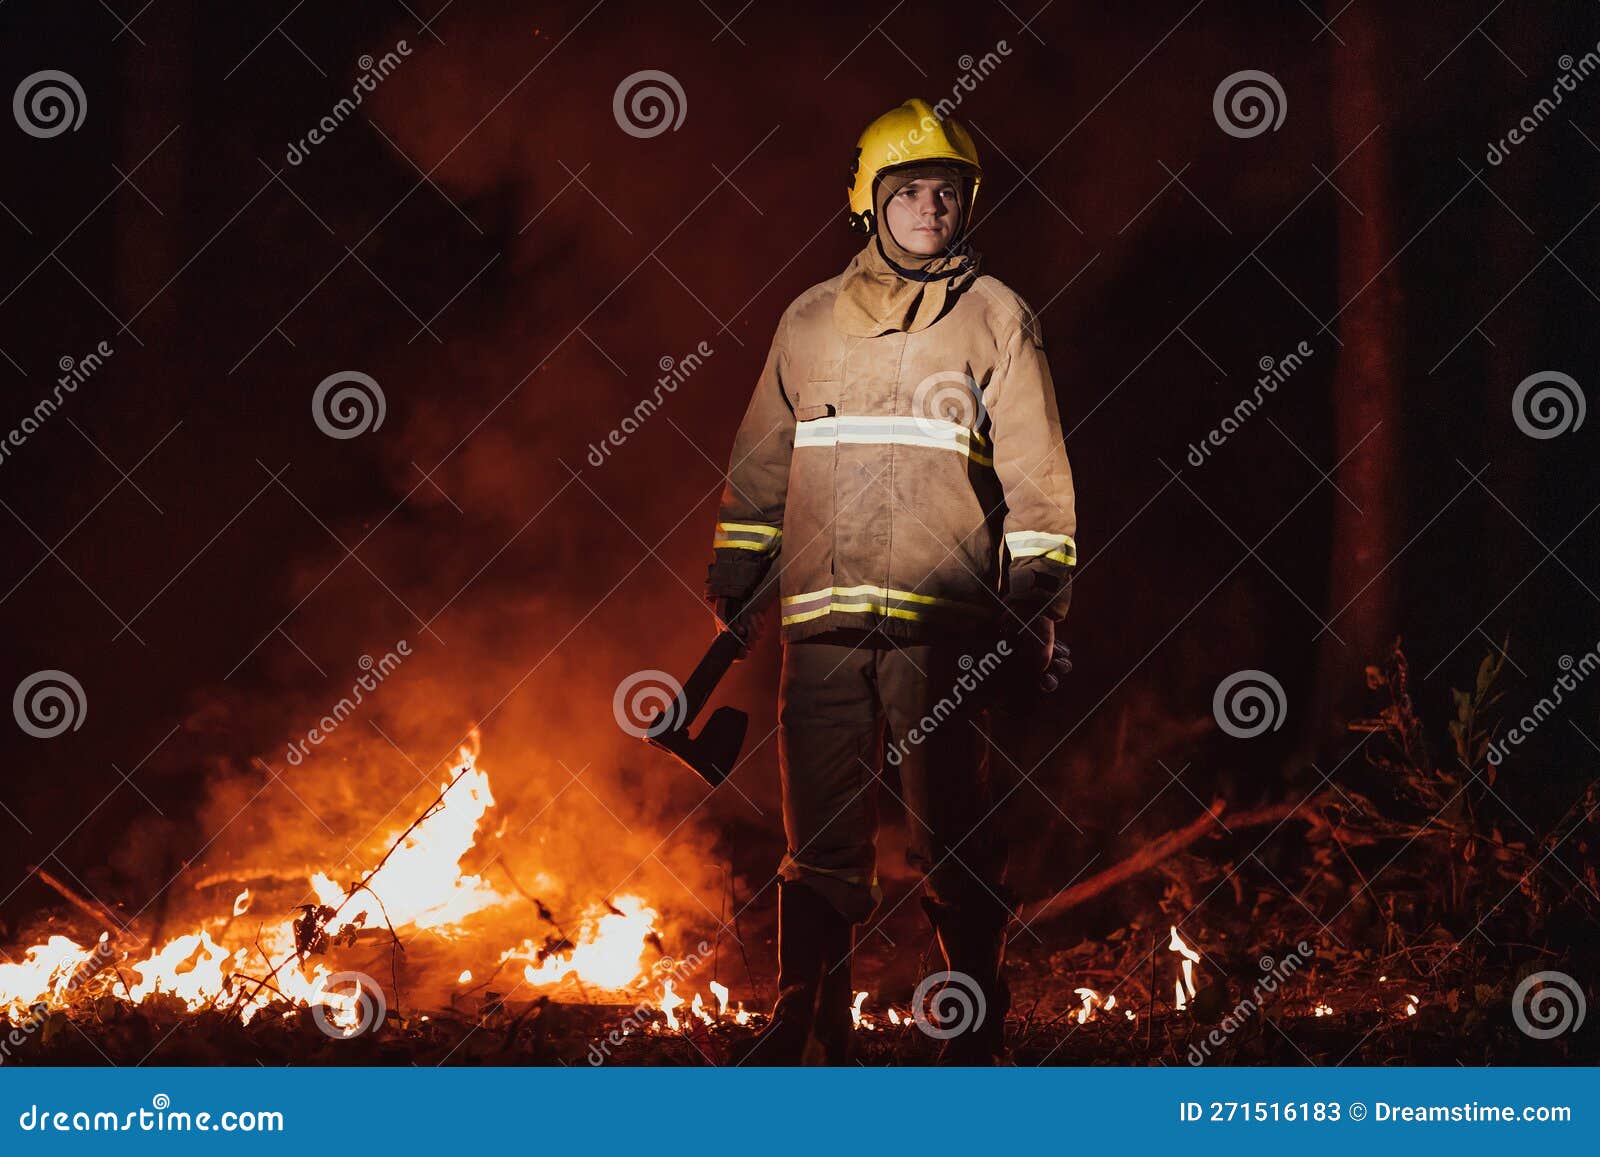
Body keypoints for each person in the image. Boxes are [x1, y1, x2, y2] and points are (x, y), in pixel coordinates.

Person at [704, 98, 1078, 1064]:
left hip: (943, 632)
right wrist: (739, 567)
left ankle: (973, 1039)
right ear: (867, 204)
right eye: (906, 190)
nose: (927, 208)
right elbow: (761, 461)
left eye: (944, 192)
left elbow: (1038, 476)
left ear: (967, 204)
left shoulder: (995, 317)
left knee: (953, 839)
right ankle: (809, 1032)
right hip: (821, 630)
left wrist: (1036, 601)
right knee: (819, 844)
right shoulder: (809, 321)